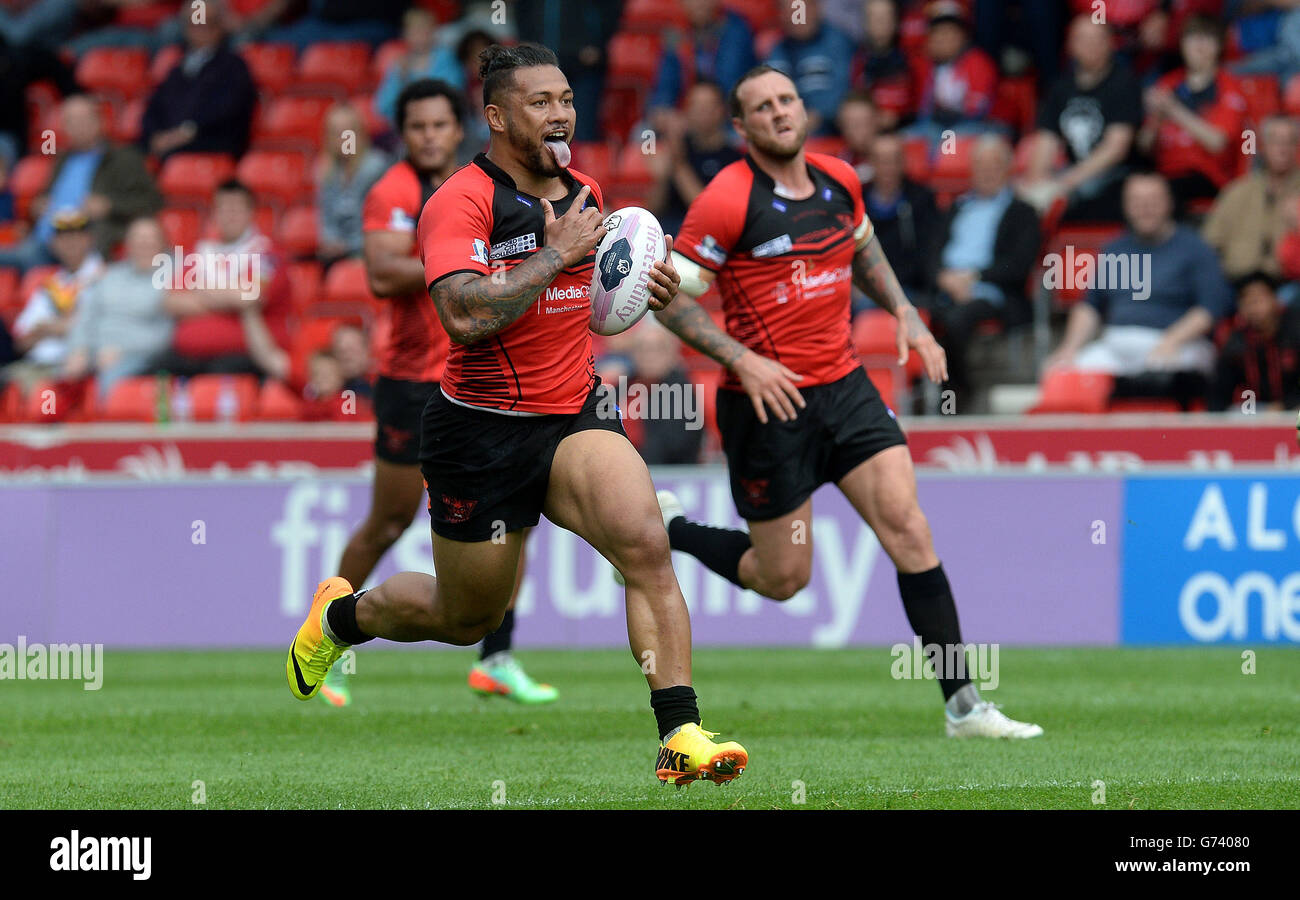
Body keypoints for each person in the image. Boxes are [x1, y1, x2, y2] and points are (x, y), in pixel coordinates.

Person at [283, 45, 749, 786]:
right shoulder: (459, 201)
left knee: (645, 547)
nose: (560, 111)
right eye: (540, 101)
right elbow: (462, 317)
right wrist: (552, 257)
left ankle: (681, 733)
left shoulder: (587, 190)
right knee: (462, 618)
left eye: (565, 97)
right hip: (480, 432)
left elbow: (586, 312)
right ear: (497, 117)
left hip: (574, 414)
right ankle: (339, 621)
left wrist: (636, 291)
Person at [653, 64, 1042, 739]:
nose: (778, 112)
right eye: (761, 107)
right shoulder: (726, 199)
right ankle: (675, 532)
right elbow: (671, 299)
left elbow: (866, 251)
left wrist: (907, 314)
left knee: (910, 529)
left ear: (802, 109)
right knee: (783, 579)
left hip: (846, 388)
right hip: (766, 405)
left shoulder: (841, 180)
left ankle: (965, 707)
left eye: (786, 100)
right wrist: (742, 359)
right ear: (741, 127)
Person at [1044, 172, 1230, 384]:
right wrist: (1069, 348)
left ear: (1169, 202)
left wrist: (1171, 340)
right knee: (1063, 373)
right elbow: (1090, 306)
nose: (1145, 208)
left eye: (1153, 201)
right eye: (1137, 202)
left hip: (1178, 343)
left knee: (1160, 372)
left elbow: (1211, 307)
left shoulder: (1196, 249)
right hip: (1116, 344)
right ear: (1126, 206)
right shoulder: (1114, 249)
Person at [926, 134, 1040, 395]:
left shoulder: (1023, 212)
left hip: (993, 292)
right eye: (981, 166)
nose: (987, 173)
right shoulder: (956, 208)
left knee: (955, 320)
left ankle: (957, 393)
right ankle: (909, 395)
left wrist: (973, 277)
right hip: (946, 287)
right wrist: (943, 278)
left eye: (994, 166)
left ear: (1008, 169)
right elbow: (930, 253)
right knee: (907, 314)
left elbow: (1018, 265)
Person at [159, 179, 292, 377]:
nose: (229, 216)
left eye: (236, 209)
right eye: (223, 209)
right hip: (188, 357)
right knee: (154, 375)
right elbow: (171, 302)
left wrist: (200, 291)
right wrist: (229, 299)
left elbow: (248, 296)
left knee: (216, 383)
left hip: (246, 355)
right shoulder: (200, 252)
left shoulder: (266, 253)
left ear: (251, 213)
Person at [1019, 16, 1142, 223]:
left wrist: (1062, 184)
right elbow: (1045, 141)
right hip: (1073, 172)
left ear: (1110, 44)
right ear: (1070, 45)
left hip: (1115, 175)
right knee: (1022, 199)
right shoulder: (1061, 88)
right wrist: (1036, 181)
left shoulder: (1125, 83)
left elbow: (1115, 150)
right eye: (1083, 39)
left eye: (1097, 39)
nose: (1090, 46)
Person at [1136, 15, 1247, 210]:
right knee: (1130, 192)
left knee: (1161, 195)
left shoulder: (1229, 87)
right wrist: (1156, 121)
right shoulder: (1167, 84)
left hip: (1209, 177)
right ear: (1182, 44)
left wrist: (1174, 110)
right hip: (1163, 175)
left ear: (1220, 46)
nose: (1199, 46)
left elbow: (1217, 142)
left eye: (1207, 39)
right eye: (1193, 38)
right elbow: (1144, 147)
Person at [63, 216, 174, 399]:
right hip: (94, 353)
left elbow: (166, 334)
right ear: (128, 245)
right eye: (137, 239)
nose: (143, 245)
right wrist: (79, 349)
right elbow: (86, 317)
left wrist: (122, 350)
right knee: (51, 387)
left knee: (112, 382)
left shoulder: (173, 278)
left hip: (139, 357)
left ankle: (103, 425)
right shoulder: (110, 275)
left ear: (162, 244)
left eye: (149, 240)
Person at [139, 0, 257, 160]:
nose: (199, 31)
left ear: (219, 27)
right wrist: (155, 135)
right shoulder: (177, 69)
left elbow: (229, 110)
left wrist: (187, 131)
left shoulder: (233, 67)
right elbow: (154, 108)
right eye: (194, 25)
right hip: (171, 143)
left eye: (207, 25)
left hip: (210, 144)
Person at [6, 209, 105, 391]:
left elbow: (99, 328)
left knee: (43, 403)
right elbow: (22, 341)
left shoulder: (105, 276)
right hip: (36, 366)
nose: (70, 243)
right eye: (63, 237)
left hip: (76, 369)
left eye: (76, 236)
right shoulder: (49, 285)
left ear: (90, 238)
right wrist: (60, 327)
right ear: (53, 243)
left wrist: (48, 328)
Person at [1203, 116, 1300, 286]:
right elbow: (1209, 243)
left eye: (1289, 142)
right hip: (1236, 282)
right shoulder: (1237, 192)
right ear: (1263, 146)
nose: (1282, 148)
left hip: (1289, 284)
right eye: (1275, 141)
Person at [645, 80, 743, 237]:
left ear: (720, 111)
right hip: (664, 234)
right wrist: (661, 178)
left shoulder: (733, 159)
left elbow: (707, 213)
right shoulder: (678, 146)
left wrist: (678, 163)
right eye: (694, 106)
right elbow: (652, 210)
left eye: (705, 107)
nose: (698, 113)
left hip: (703, 239)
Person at [647, 0, 757, 137]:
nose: (698, 3)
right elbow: (665, 84)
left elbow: (731, 85)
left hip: (727, 119)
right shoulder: (675, 32)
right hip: (686, 117)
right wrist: (663, 113)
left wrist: (703, 114)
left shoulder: (736, 29)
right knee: (644, 133)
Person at [862, 133, 938, 309]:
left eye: (893, 160)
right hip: (866, 286)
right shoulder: (857, 202)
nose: (888, 167)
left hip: (909, 286)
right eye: (881, 160)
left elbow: (927, 254)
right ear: (871, 163)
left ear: (903, 162)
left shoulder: (922, 199)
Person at [1207, 272, 1300, 412]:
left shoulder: (1295, 330)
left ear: (1275, 299)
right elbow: (1219, 395)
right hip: (1258, 411)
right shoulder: (1236, 342)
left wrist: (1285, 406)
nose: (1253, 307)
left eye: (1258, 299)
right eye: (1247, 301)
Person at [764, 0, 856, 136]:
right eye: (789, 11)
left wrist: (817, 114)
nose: (796, 18)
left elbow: (844, 92)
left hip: (828, 131)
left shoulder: (838, 44)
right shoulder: (776, 50)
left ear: (816, 8)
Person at [315, 103, 390, 267]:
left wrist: (347, 247)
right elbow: (326, 220)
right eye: (336, 133)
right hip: (337, 254)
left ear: (360, 133)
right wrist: (331, 242)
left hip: (368, 253)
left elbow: (380, 223)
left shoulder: (376, 167)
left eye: (347, 132)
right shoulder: (326, 171)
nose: (343, 139)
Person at [373, 7, 462, 129]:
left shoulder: (447, 58)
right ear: (405, 35)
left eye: (424, 30)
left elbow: (454, 93)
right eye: (414, 31)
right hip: (409, 126)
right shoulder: (400, 65)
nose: (419, 36)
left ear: (433, 32)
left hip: (443, 123)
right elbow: (382, 107)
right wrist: (401, 79)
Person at [850, 0, 914, 130]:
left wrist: (900, 115)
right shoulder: (858, 61)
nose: (879, 23)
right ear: (865, 23)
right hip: (869, 131)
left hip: (908, 128)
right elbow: (855, 99)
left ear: (896, 22)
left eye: (885, 17)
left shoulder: (912, 60)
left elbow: (923, 104)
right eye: (873, 18)